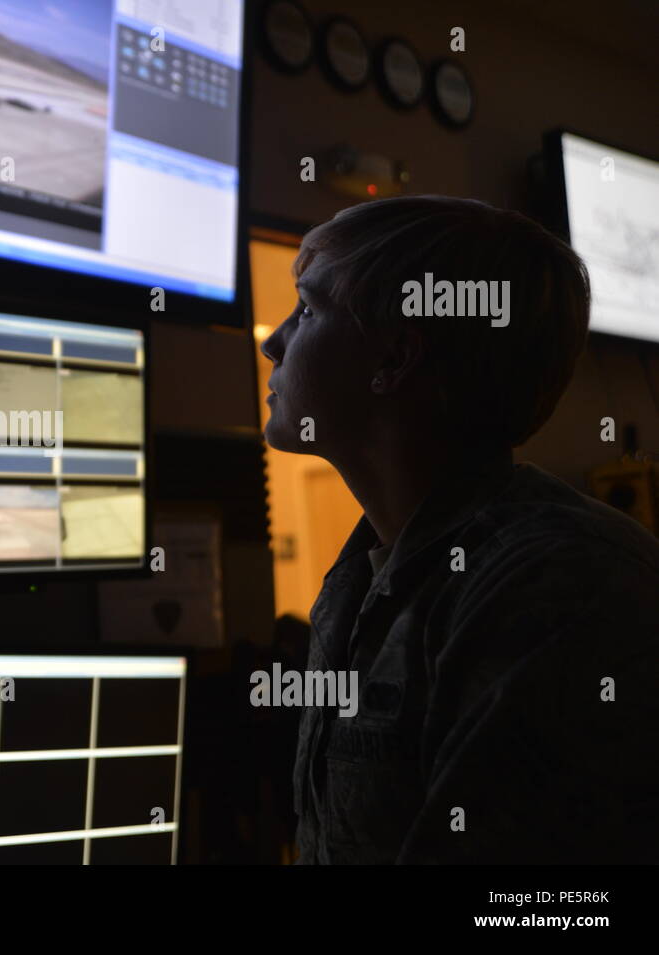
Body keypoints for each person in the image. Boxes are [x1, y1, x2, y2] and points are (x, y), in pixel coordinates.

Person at [259, 195, 659, 863]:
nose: (274, 339)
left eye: (307, 310)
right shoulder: (360, 576)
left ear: (394, 359)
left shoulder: (563, 589)